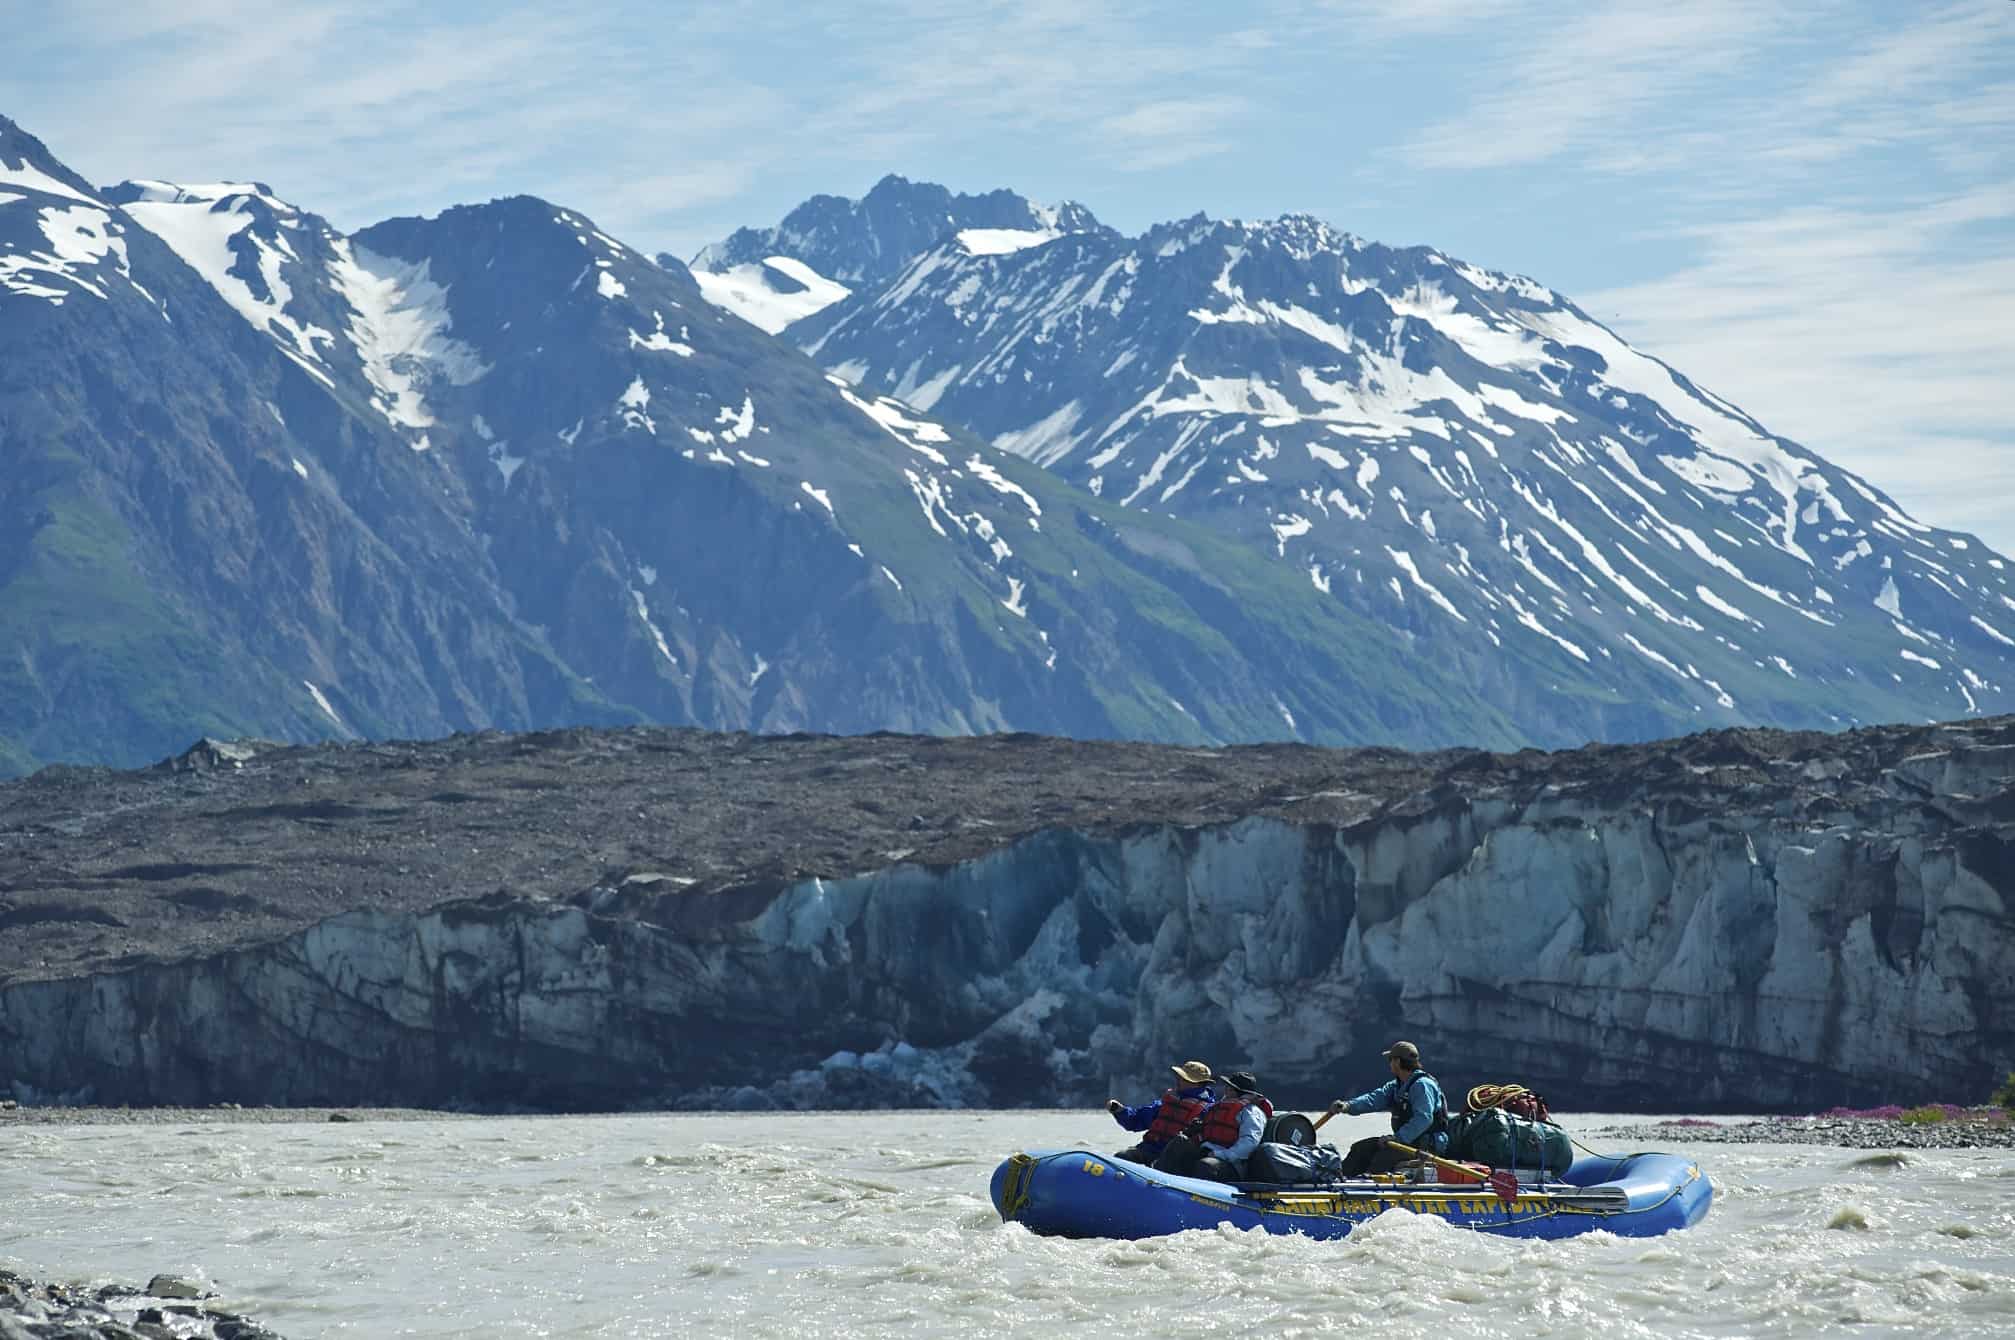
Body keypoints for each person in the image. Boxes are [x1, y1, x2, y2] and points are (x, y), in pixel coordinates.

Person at [1326, 1040, 1449, 1177]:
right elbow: (1373, 1099)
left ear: (1397, 1061)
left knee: (1383, 1158)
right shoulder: (1396, 1086)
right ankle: (1339, 1179)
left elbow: (1424, 1118)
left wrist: (1398, 1138)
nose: (1389, 1064)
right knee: (1360, 1148)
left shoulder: (1422, 1085)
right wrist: (1347, 1106)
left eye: (1390, 1060)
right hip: (1405, 1142)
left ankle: (1370, 1183)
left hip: (1427, 1146)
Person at [1153, 1070, 1273, 1182]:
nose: (1226, 1089)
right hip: (1206, 1152)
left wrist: (1220, 1155)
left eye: (1229, 1087)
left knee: (1206, 1165)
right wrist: (1194, 1132)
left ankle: (1195, 1195)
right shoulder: (1219, 1107)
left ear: (1237, 1091)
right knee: (1180, 1142)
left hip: (1231, 1164)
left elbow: (1249, 1143)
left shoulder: (1251, 1111)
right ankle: (1157, 1181)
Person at [1107, 1060, 1216, 1164]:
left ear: (1197, 1083)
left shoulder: (1208, 1110)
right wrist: (1120, 1111)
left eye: (1183, 1078)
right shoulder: (1166, 1101)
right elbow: (1136, 1120)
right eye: (1179, 1077)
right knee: (1122, 1156)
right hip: (1149, 1150)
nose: (1178, 1080)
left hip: (1177, 1160)